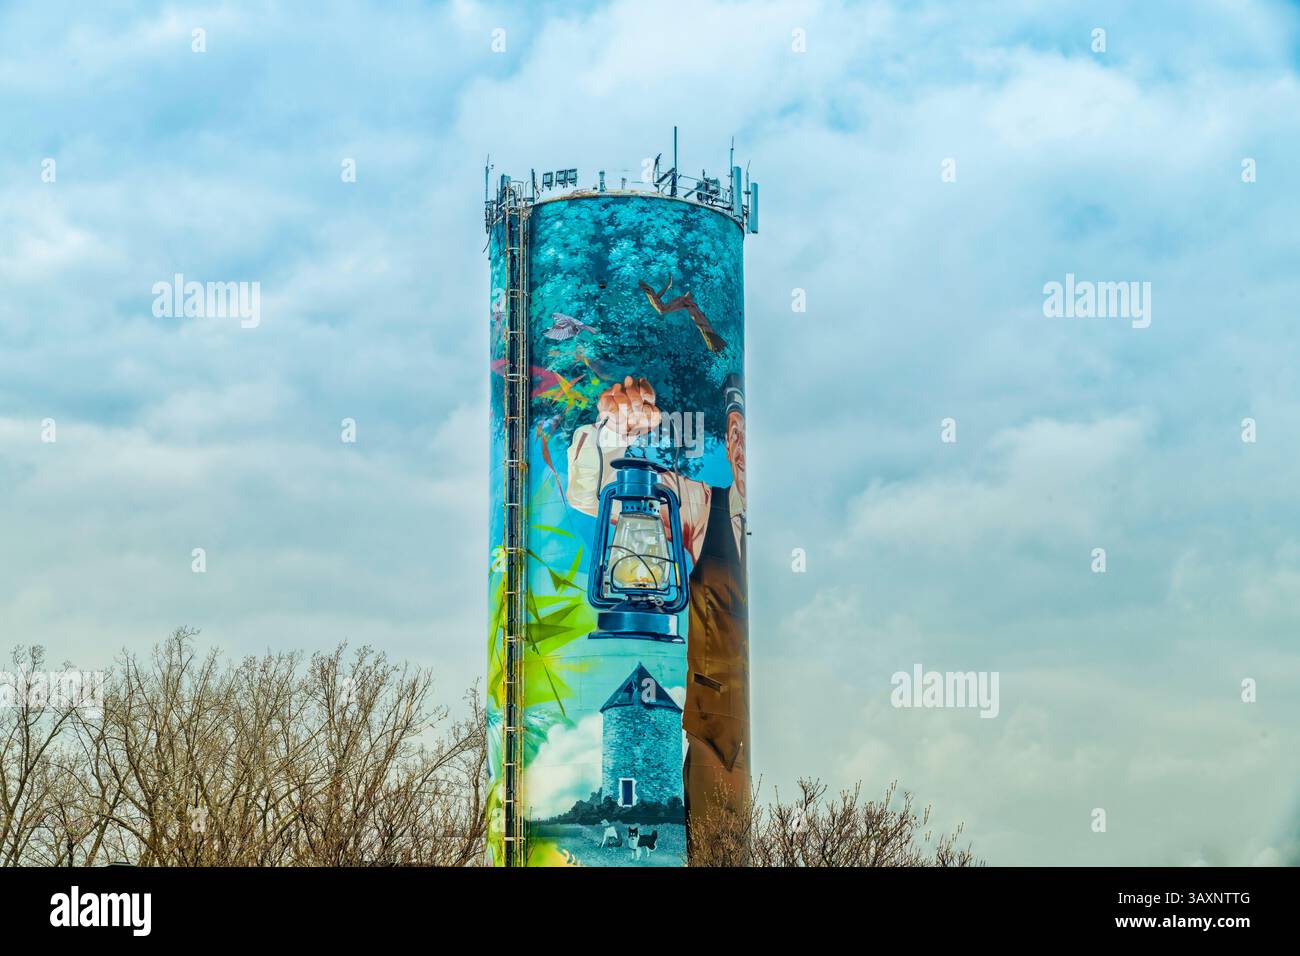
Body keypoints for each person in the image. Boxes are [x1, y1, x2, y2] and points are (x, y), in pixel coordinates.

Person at [567, 374, 749, 844]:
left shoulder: (738, 517)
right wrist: (616, 434)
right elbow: (595, 493)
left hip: (726, 753)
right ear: (725, 443)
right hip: (704, 733)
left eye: (742, 432)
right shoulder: (693, 497)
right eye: (731, 433)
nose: (741, 447)